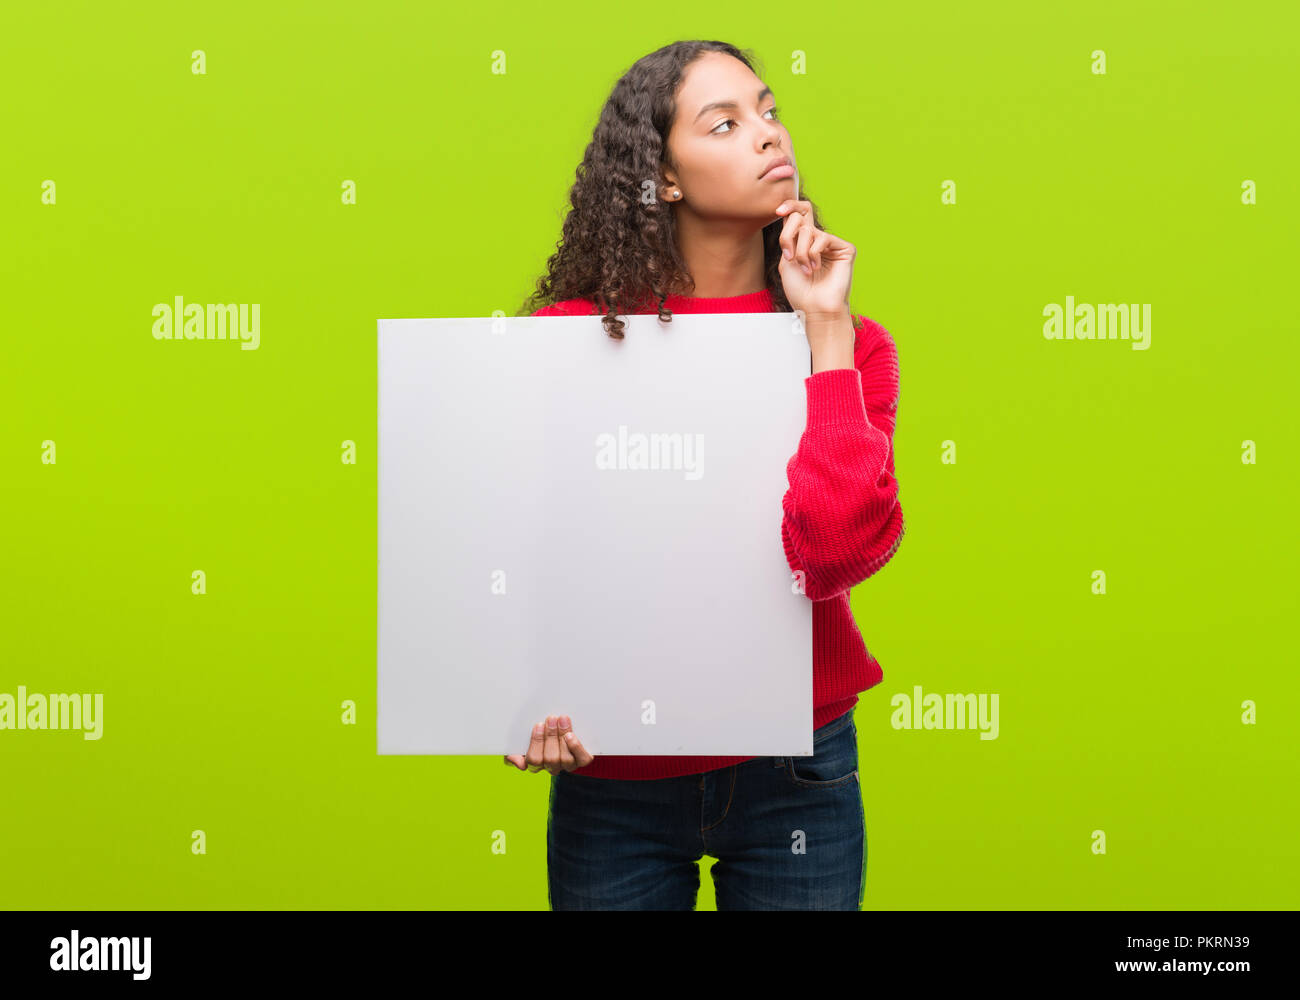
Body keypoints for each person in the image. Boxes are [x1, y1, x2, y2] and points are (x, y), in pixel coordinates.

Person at [509, 40, 905, 910]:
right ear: (665, 177)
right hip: (612, 775)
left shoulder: (851, 344)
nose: (768, 136)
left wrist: (826, 335)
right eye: (725, 123)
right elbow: (516, 550)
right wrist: (512, 698)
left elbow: (832, 553)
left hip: (796, 770)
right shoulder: (569, 339)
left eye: (768, 111)